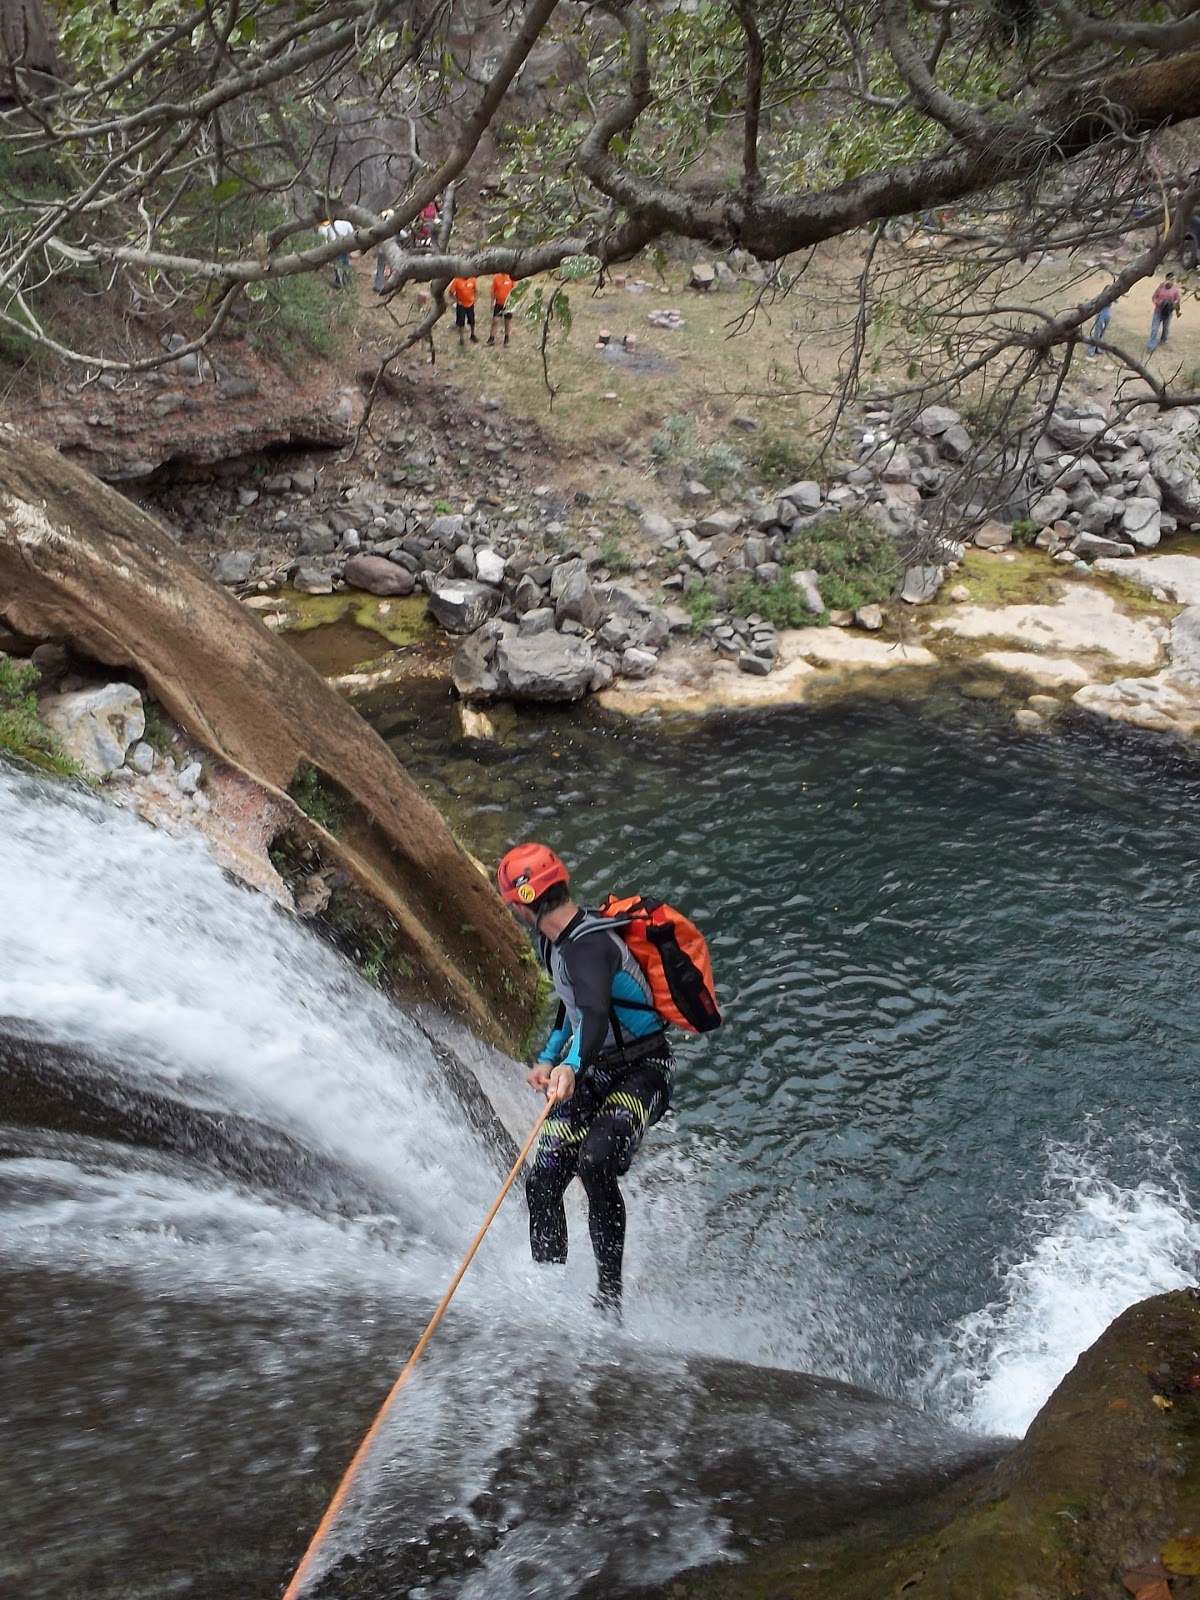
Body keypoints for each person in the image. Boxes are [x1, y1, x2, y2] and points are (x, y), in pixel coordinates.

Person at [496, 843, 675, 1315]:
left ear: (521, 905)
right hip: (594, 1068)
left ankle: (609, 1303)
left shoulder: (591, 945)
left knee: (594, 1161)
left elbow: (595, 1014)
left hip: (644, 1069)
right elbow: (569, 1004)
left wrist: (571, 1067)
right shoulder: (555, 942)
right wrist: (549, 1057)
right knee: (544, 1178)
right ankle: (548, 1291)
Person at [318, 218, 355, 289]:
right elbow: (352, 233)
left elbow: (330, 237)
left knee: (337, 264)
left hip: (336, 245)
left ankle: (339, 281)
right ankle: (348, 280)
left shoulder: (333, 223)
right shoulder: (347, 222)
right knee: (345, 262)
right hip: (345, 244)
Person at [1148, 274, 1182, 351]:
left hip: (1168, 312)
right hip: (1158, 311)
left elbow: (1178, 300)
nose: (1170, 281)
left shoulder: (1175, 290)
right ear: (1166, 279)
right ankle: (1151, 346)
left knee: (1166, 327)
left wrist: (1172, 305)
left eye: (1172, 280)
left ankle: (1163, 340)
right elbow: (1154, 297)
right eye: (1169, 279)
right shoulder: (1160, 288)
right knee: (1154, 329)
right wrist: (1158, 302)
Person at [447, 275, 477, 345]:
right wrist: (457, 301)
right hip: (461, 305)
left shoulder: (472, 279)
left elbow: (475, 290)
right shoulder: (457, 280)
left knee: (472, 320)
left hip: (470, 304)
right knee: (461, 322)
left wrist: (475, 299)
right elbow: (451, 293)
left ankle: (472, 334)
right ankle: (461, 338)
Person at [488, 271, 515, 345]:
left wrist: (514, 302)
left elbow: (515, 290)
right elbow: (492, 291)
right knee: (495, 321)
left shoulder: (511, 277)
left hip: (509, 304)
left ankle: (506, 339)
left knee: (507, 321)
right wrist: (492, 303)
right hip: (498, 303)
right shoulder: (496, 277)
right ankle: (491, 339)